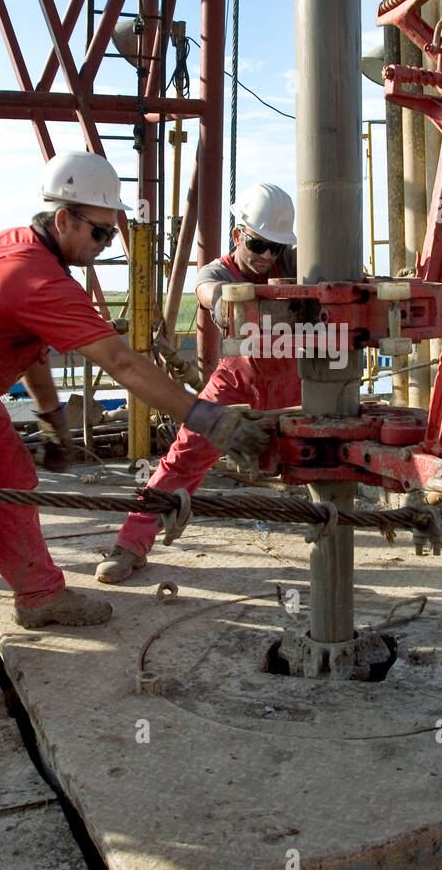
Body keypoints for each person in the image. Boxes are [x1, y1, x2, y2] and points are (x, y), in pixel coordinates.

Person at [0, 151, 270, 645]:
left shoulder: (21, 249)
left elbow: (28, 350)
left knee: (12, 482)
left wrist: (50, 418)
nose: (107, 245)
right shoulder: (35, 275)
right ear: (63, 219)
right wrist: (211, 419)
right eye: (101, 232)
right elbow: (121, 362)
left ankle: (39, 595)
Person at [96, 182, 301, 582]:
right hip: (237, 380)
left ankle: (344, 538)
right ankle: (129, 546)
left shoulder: (291, 262)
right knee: (184, 455)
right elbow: (207, 289)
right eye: (259, 245)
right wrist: (224, 298)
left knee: (330, 454)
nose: (266, 256)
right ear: (238, 233)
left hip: (295, 378)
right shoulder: (218, 269)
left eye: (275, 248)